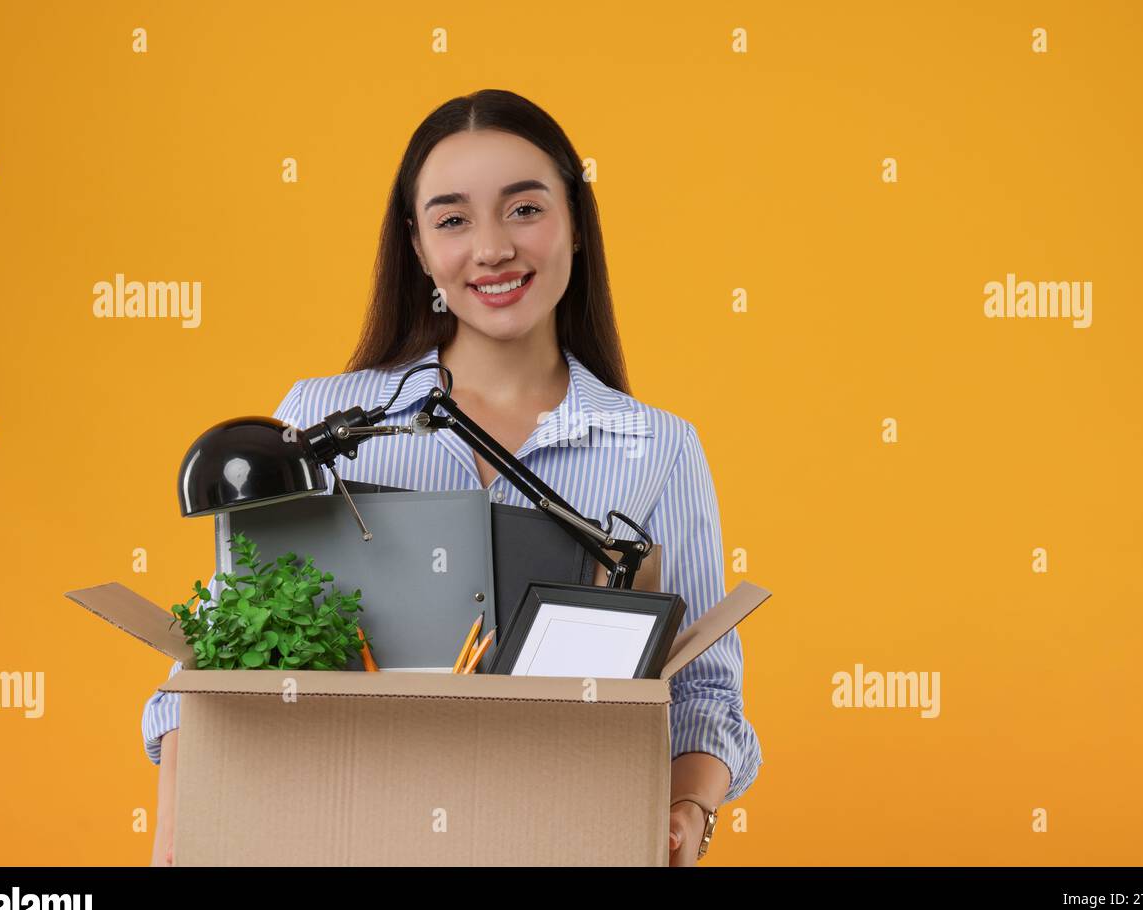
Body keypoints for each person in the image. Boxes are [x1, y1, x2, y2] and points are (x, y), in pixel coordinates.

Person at [143, 89, 761, 866]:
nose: (493, 248)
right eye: (453, 218)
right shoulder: (323, 420)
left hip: (563, 840)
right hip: (349, 838)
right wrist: (176, 828)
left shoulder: (658, 446)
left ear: (575, 221)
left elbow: (705, 691)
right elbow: (221, 661)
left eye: (524, 209)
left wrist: (686, 811)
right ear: (419, 245)